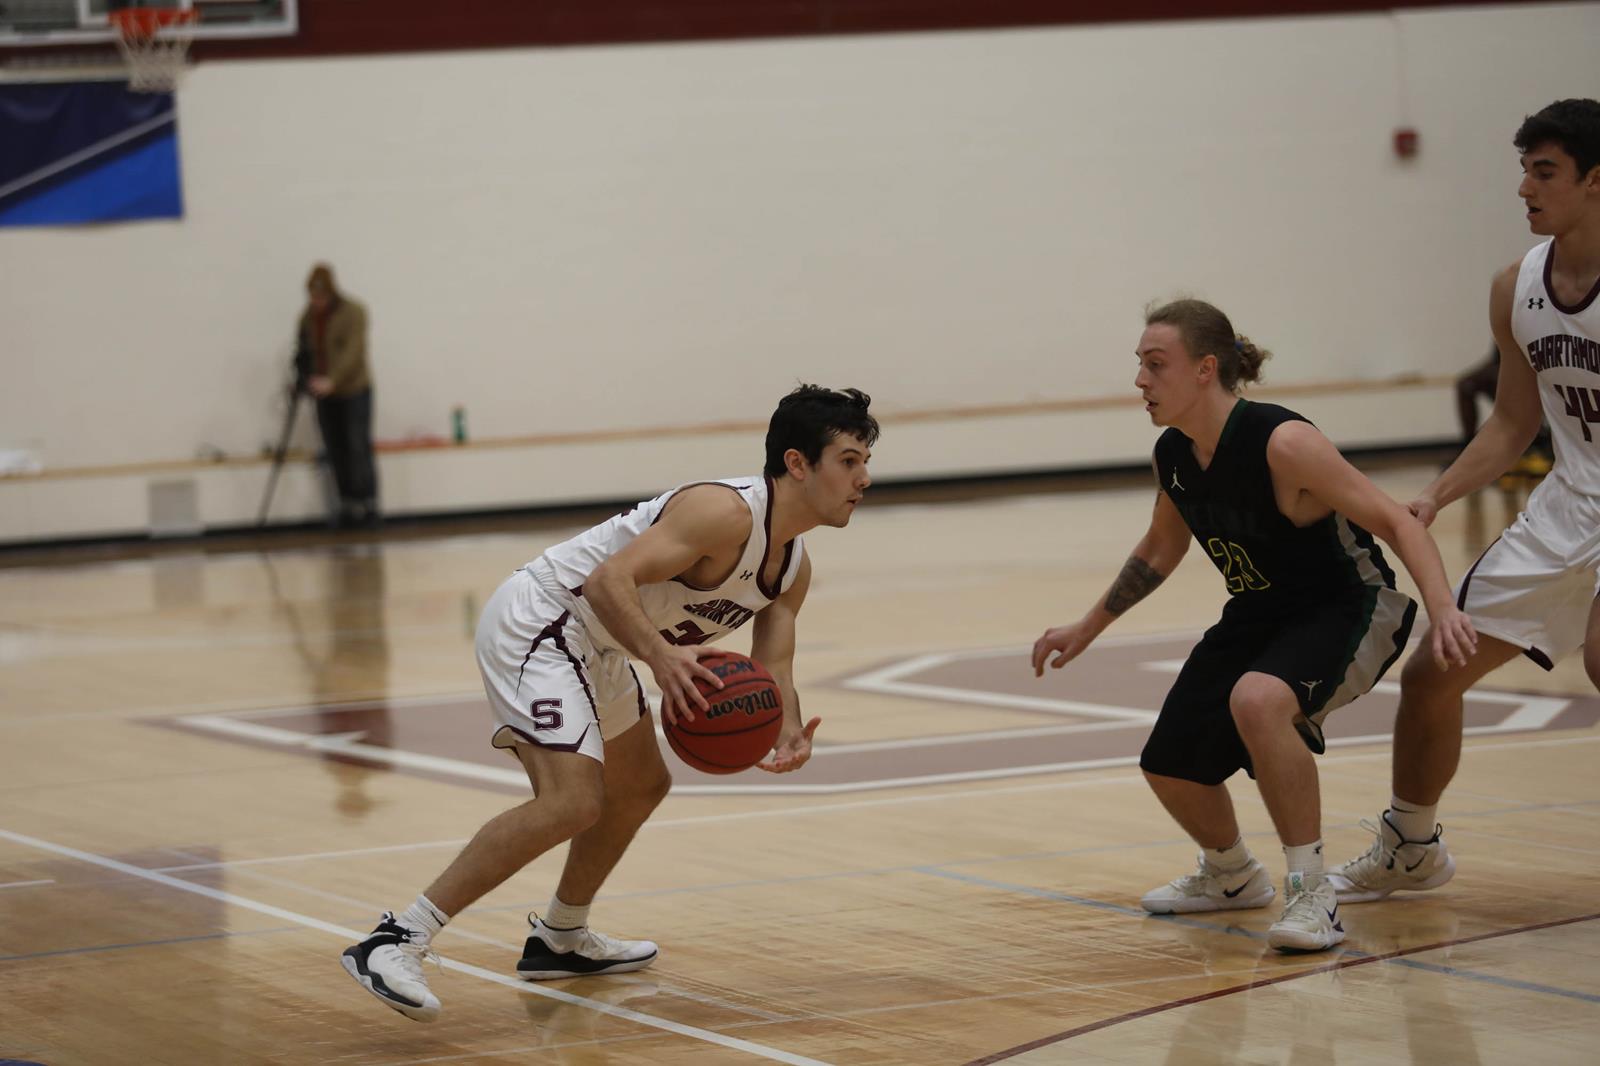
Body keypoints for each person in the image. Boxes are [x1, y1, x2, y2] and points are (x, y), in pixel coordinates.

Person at [341, 385, 878, 1021]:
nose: (863, 478)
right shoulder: (724, 513)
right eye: (848, 460)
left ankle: (560, 936)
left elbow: (774, 666)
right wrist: (657, 655)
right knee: (572, 801)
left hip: (600, 642)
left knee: (641, 785)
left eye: (865, 461)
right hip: (547, 616)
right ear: (797, 463)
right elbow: (605, 581)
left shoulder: (792, 568)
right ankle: (396, 938)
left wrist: (785, 729)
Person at [1031, 299, 1476, 953]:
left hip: (1349, 604)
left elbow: (1398, 519)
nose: (1140, 381)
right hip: (1260, 612)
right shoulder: (1173, 454)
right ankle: (1232, 874)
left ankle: (1310, 896)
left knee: (1259, 699)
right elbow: (1161, 546)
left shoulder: (1284, 442)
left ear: (1206, 369)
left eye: (1155, 366)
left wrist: (1442, 608)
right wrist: (1086, 627)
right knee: (1170, 763)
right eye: (1140, 366)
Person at [1328, 98, 1600, 904]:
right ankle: (1411, 846)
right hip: (1569, 505)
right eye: (1523, 169)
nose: (1524, 187)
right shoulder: (1515, 286)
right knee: (1432, 673)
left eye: (1543, 171)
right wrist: (1435, 496)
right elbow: (1515, 420)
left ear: (1595, 180)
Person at [297, 263, 379, 528]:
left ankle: (367, 504)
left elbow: (353, 352)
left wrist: (333, 380)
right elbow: (304, 350)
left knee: (357, 447)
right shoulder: (308, 317)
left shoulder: (354, 312)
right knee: (335, 450)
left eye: (321, 295)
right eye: (313, 296)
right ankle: (346, 504)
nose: (317, 301)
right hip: (324, 394)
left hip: (353, 390)